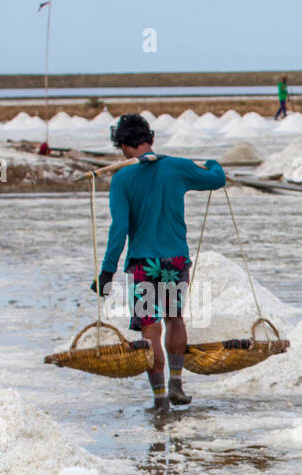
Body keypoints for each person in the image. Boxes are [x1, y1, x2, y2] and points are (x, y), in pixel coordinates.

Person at [92, 115, 226, 414]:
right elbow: (217, 179)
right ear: (150, 138)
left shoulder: (123, 178)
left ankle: (160, 397)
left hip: (143, 263)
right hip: (175, 259)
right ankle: (177, 382)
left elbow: (119, 228)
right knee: (174, 318)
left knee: (150, 328)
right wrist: (213, 163)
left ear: (123, 145)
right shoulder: (177, 166)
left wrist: (106, 271)